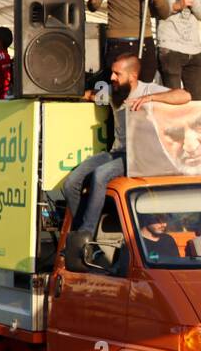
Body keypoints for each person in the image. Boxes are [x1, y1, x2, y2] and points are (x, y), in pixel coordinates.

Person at [62, 54, 194, 252]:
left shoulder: (147, 89)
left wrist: (150, 99)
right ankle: (84, 231)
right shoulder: (112, 92)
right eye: (112, 73)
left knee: (101, 175)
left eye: (117, 74)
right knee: (71, 183)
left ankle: (86, 236)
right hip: (116, 151)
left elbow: (185, 96)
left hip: (138, 155)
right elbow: (89, 95)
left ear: (132, 76)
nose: (112, 78)